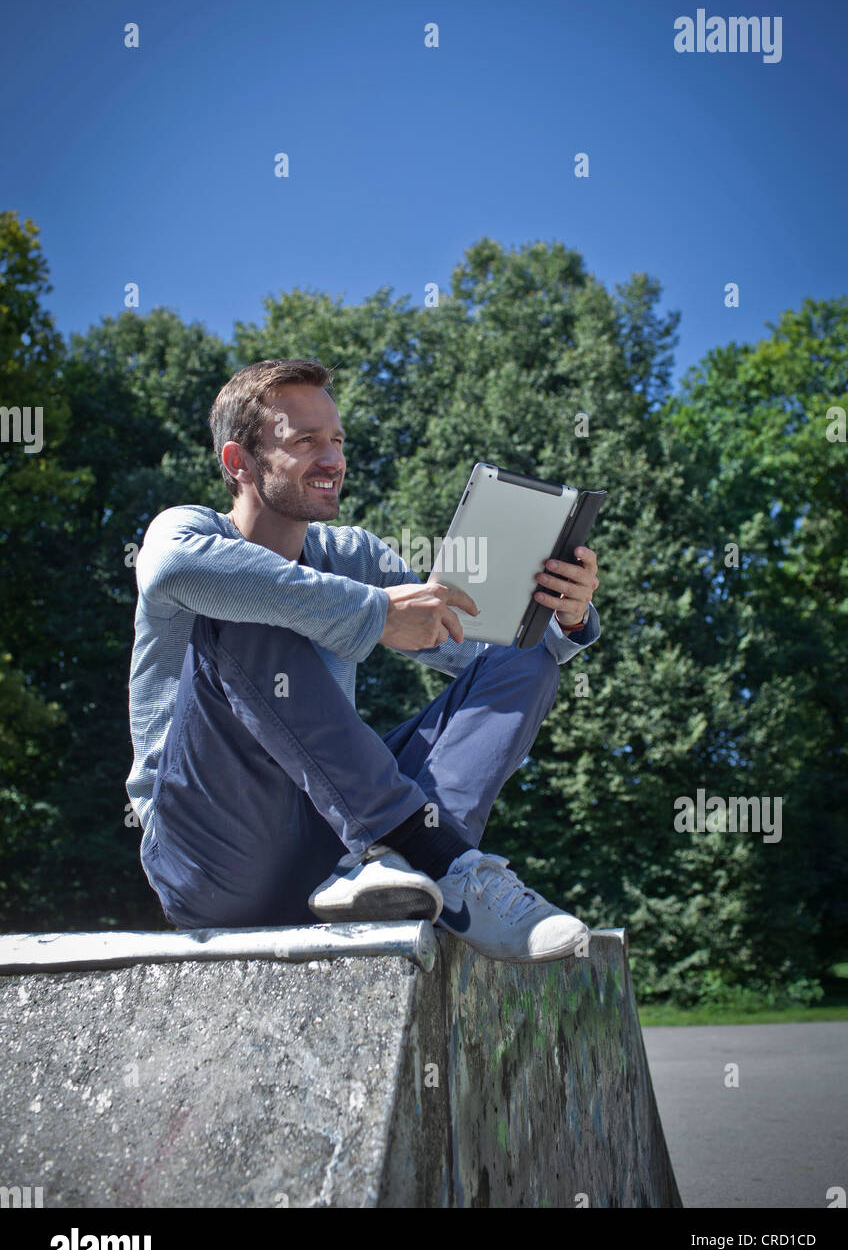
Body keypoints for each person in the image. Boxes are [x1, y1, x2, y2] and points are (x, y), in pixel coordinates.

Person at [125, 359, 602, 962]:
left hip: (342, 855)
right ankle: (436, 856)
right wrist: (374, 615)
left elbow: (486, 650)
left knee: (526, 659)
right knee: (246, 600)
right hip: (215, 851)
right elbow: (175, 569)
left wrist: (566, 614)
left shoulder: (353, 555)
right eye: (304, 441)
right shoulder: (187, 531)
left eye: (337, 440)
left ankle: (423, 864)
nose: (333, 459)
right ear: (238, 463)